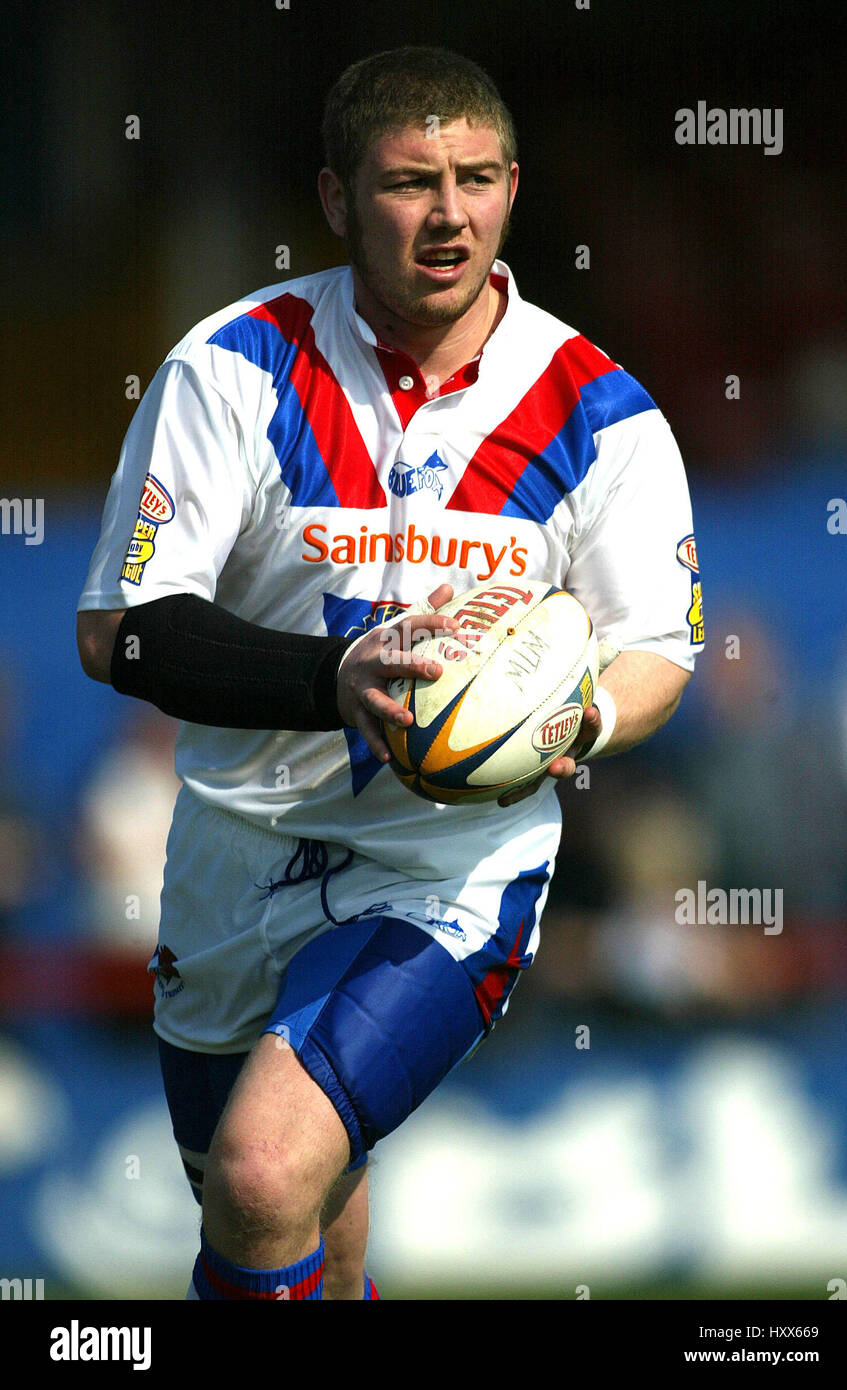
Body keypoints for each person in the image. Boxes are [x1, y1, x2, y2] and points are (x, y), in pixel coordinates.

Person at [76, 45, 702, 1301]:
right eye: (410, 182)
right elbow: (121, 632)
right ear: (334, 197)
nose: (448, 214)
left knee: (261, 1170)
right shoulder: (235, 366)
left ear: (514, 189)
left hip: (446, 871)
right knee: (294, 1212)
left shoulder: (600, 408)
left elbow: (657, 652)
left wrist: (578, 709)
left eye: (476, 178)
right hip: (230, 857)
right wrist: (334, 676)